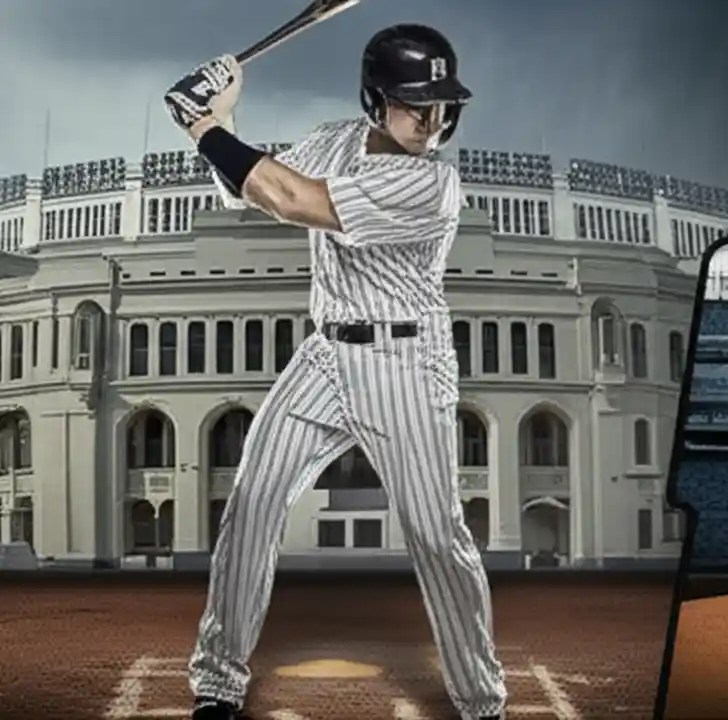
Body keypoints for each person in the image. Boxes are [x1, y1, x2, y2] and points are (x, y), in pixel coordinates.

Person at [161, 24, 507, 720]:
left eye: (444, 104)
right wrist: (221, 120)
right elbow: (254, 187)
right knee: (253, 503)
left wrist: (203, 125)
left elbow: (296, 201)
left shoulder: (432, 183)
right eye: (417, 104)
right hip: (323, 356)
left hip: (405, 364)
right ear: (375, 101)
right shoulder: (335, 137)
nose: (435, 119)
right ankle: (219, 683)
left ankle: (481, 701)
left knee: (438, 536)